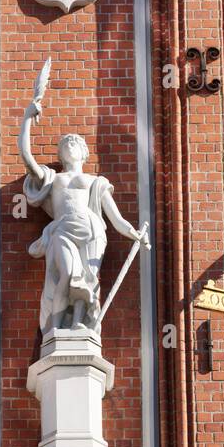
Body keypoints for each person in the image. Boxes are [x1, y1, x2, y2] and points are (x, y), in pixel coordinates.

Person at [19, 99, 148, 334]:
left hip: (92, 231)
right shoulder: (53, 179)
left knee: (88, 280)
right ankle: (53, 330)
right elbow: (26, 156)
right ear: (60, 154)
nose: (70, 143)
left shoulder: (95, 182)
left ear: (84, 153)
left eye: (75, 142)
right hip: (62, 230)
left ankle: (80, 323)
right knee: (66, 275)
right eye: (65, 143)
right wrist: (27, 118)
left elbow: (116, 218)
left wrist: (135, 234)